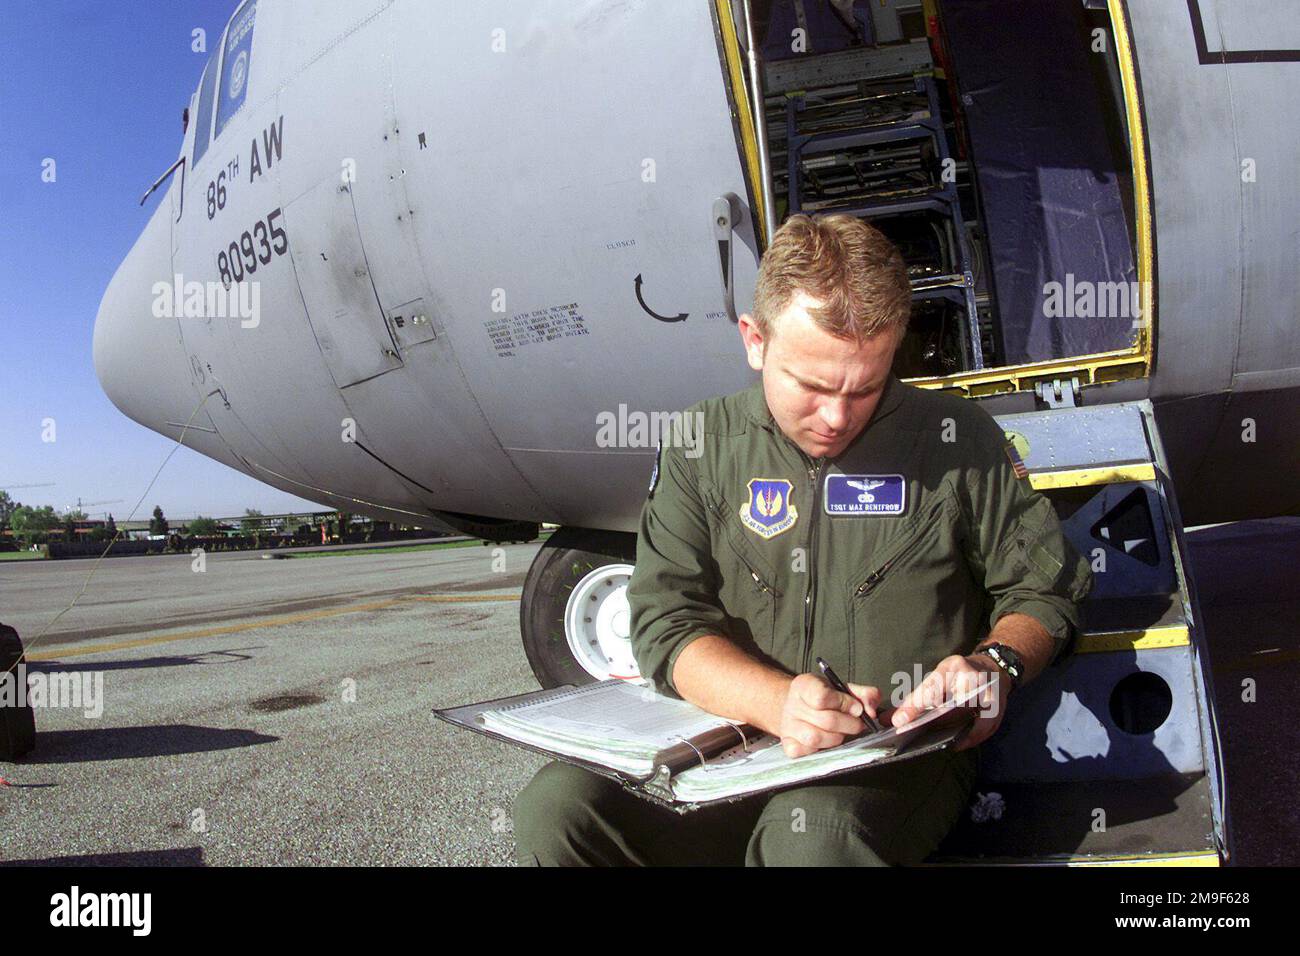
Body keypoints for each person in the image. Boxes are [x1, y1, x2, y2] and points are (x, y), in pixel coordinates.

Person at [513, 213, 1092, 866]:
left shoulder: (955, 441)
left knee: (812, 839)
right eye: (813, 386)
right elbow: (663, 624)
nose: (838, 416)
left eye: (865, 387)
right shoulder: (702, 445)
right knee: (557, 809)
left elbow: (1045, 586)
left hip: (886, 765)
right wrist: (777, 703)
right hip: (729, 746)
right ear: (754, 341)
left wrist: (996, 665)